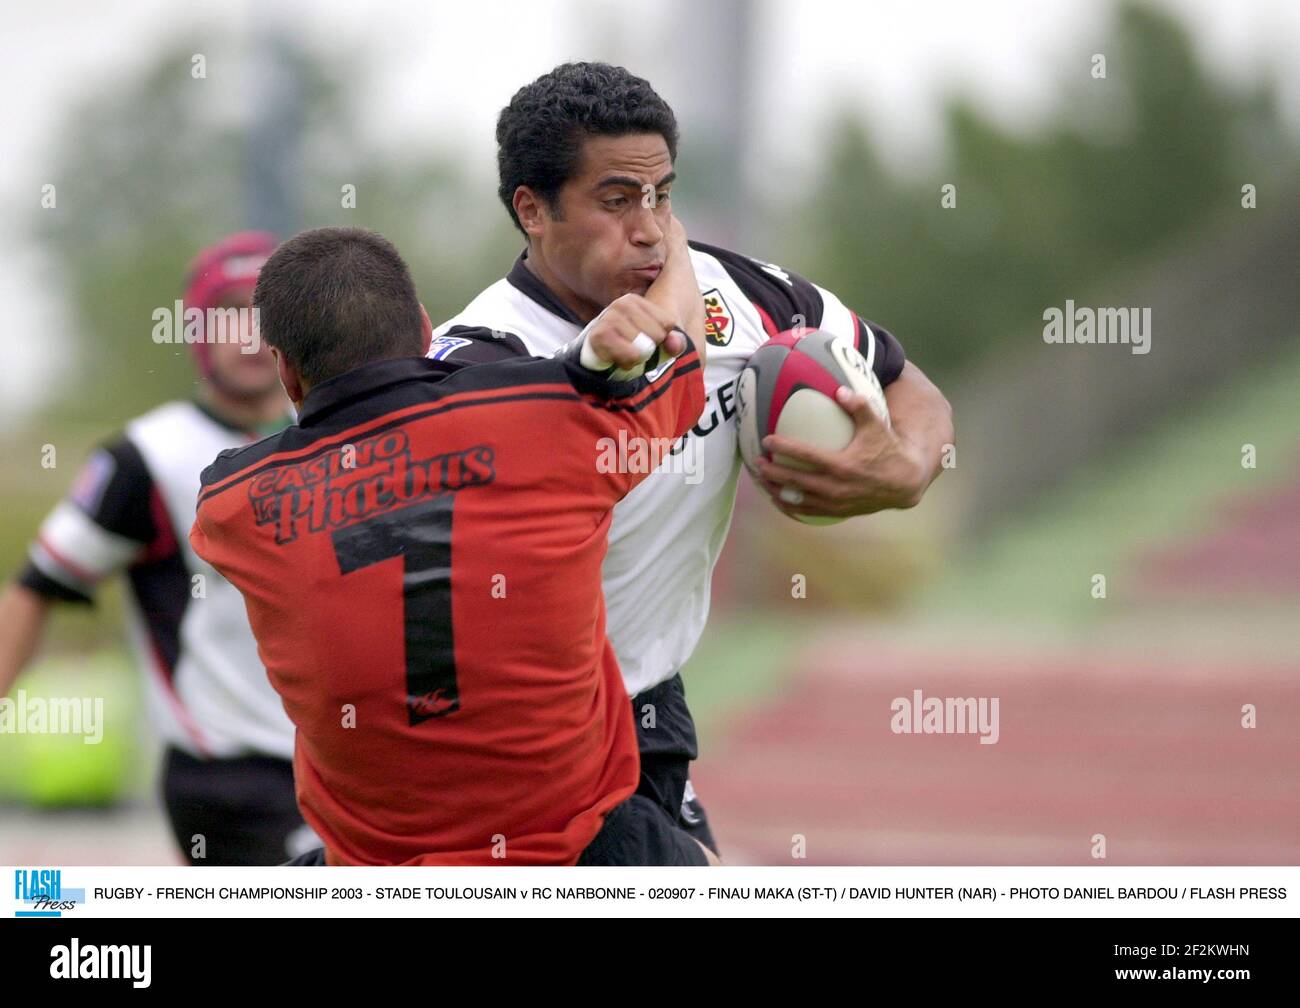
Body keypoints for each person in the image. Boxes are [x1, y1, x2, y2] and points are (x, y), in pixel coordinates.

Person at [431, 62, 956, 852]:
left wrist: (908, 466)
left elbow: (907, 382)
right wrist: (672, 299)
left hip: (650, 711)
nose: (648, 229)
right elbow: (622, 387)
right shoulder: (479, 362)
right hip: (515, 739)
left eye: (662, 195)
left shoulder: (739, 292)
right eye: (617, 201)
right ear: (532, 210)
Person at [190, 224, 715, 865]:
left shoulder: (232, 506)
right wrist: (667, 238)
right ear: (424, 328)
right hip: (576, 844)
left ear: (286, 372)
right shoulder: (551, 416)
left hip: (371, 867)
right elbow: (684, 352)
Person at [0, 232, 316, 865]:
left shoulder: (337, 437)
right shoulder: (147, 456)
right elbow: (36, 587)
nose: (249, 335)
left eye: (266, 314)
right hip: (229, 781)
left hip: (341, 762)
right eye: (228, 312)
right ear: (195, 329)